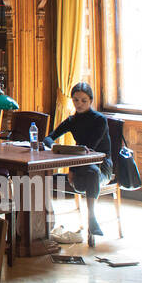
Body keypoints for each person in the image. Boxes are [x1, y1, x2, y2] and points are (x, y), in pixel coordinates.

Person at [43, 82, 112, 239]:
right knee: (41, 178)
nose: (79, 104)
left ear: (91, 101)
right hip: (80, 165)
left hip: (102, 166)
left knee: (92, 172)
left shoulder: (100, 120)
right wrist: (53, 145)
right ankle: (44, 223)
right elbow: (48, 138)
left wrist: (72, 170)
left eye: (84, 101)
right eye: (76, 100)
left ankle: (92, 217)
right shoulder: (72, 120)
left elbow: (89, 147)